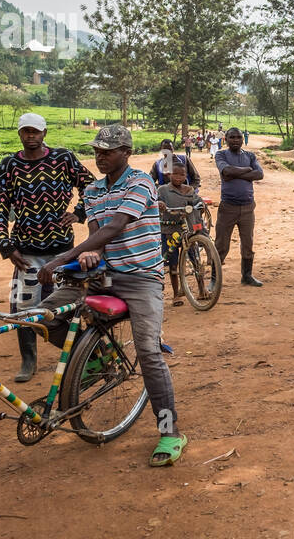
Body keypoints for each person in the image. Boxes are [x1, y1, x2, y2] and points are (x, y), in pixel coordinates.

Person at [35, 125, 186, 467]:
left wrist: (62, 257)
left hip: (141, 278)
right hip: (101, 276)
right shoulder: (91, 190)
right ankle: (98, 359)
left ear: (126, 153)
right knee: (40, 319)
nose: (100, 157)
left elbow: (115, 225)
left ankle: (170, 430)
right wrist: (91, 253)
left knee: (149, 353)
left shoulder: (140, 182)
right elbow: (97, 232)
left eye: (108, 151)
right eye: (97, 151)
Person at [0, 112, 95, 382]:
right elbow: (1, 206)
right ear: (19, 135)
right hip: (26, 253)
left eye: (35, 132)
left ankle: (81, 357)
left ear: (44, 133)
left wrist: (80, 213)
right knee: (23, 310)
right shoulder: (9, 164)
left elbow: (92, 186)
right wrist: (6, 245)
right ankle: (28, 360)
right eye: (26, 131)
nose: (31, 136)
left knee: (67, 308)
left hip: (62, 250)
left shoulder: (63, 158)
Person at [214, 127, 265, 286]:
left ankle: (247, 276)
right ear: (226, 139)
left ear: (243, 139)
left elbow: (260, 174)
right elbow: (226, 171)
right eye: (232, 137)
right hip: (228, 207)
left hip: (248, 207)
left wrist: (235, 174)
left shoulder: (249, 155)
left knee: (248, 243)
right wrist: (248, 170)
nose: (235, 140)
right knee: (221, 245)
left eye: (238, 137)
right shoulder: (221, 154)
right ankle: (214, 280)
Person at [157, 160, 203, 305]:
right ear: (169, 174)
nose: (178, 177)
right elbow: (156, 201)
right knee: (173, 263)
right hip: (170, 230)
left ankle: (202, 290)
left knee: (195, 259)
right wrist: (160, 204)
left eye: (182, 174)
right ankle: (176, 295)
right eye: (175, 174)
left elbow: (198, 202)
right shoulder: (162, 190)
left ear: (186, 176)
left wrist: (199, 205)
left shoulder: (189, 190)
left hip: (187, 229)